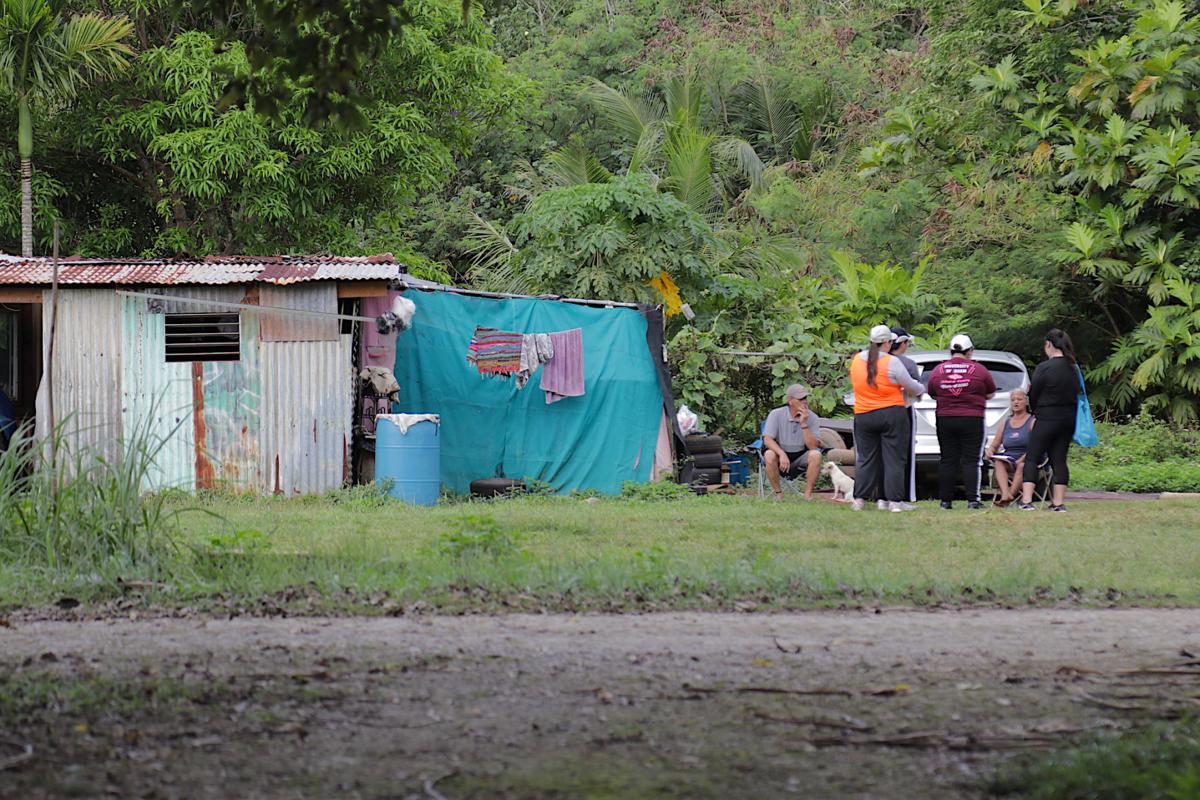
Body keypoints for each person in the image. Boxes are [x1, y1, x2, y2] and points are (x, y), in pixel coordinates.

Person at [848, 325, 926, 512]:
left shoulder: (857, 360)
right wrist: (921, 388)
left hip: (864, 414)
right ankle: (894, 502)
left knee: (866, 458)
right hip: (891, 413)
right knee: (894, 458)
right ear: (887, 343)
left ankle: (859, 499)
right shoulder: (892, 362)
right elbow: (911, 386)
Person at [926, 334, 996, 510]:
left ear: (950, 351)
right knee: (972, 460)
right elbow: (990, 393)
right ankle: (973, 500)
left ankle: (945, 501)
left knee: (947, 459)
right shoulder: (979, 370)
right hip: (973, 418)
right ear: (970, 351)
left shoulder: (938, 370)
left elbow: (932, 393)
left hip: (945, 418)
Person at [1020, 328, 1078, 511]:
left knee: (1032, 457)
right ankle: (1058, 503)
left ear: (1048, 344)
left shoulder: (1044, 367)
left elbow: (1034, 393)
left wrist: (1035, 412)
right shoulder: (1073, 367)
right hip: (1068, 418)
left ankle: (1026, 501)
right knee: (1059, 459)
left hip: (1047, 416)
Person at [762, 384, 824, 500]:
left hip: (801, 457)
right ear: (790, 401)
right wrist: (781, 454)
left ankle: (807, 496)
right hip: (780, 455)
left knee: (816, 455)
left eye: (805, 398)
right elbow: (767, 439)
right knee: (769, 454)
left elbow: (813, 447)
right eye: (800, 399)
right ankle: (779, 494)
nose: (804, 401)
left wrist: (804, 424)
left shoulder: (813, 418)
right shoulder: (776, 414)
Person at [986, 388, 1034, 506]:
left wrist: (1022, 459)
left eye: (1019, 399)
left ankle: (1009, 496)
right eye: (1013, 400)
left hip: (1028, 458)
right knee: (999, 462)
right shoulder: (1005, 423)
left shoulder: (1032, 421)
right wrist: (990, 451)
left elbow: (1036, 447)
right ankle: (1005, 494)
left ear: (1026, 402)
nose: (1016, 402)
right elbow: (995, 445)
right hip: (1009, 458)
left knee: (1022, 465)